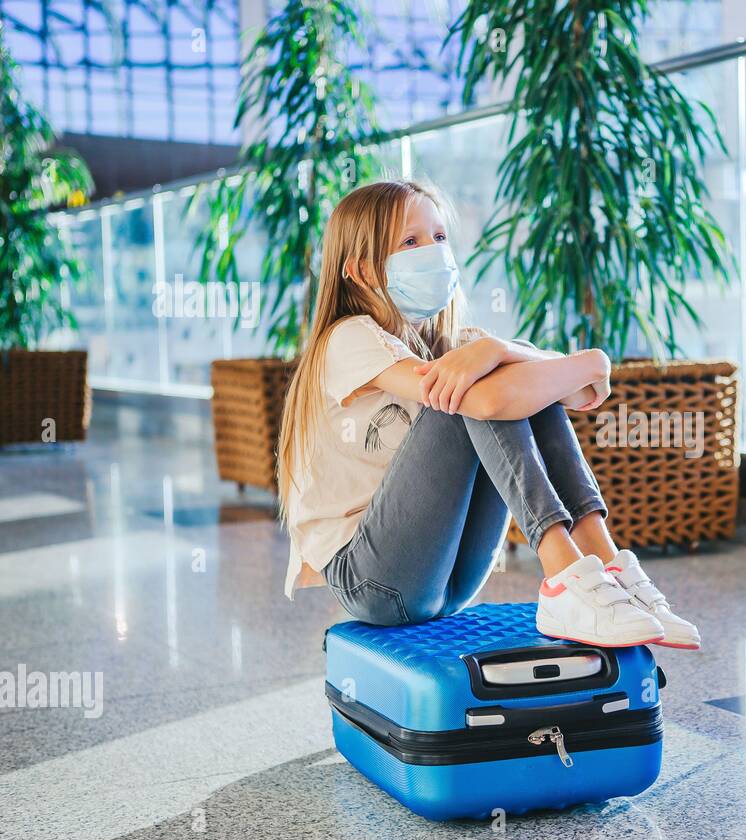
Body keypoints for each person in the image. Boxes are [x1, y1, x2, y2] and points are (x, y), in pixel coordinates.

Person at [277, 179, 699, 650]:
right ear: (361, 270)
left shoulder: (451, 341)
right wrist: (535, 361)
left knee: (516, 385)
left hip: (448, 577)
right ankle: (563, 575)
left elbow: (576, 391)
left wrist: (503, 350)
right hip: (371, 581)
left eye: (438, 237)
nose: (433, 252)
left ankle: (607, 564)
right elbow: (490, 400)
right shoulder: (347, 337)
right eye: (410, 242)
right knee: (472, 392)